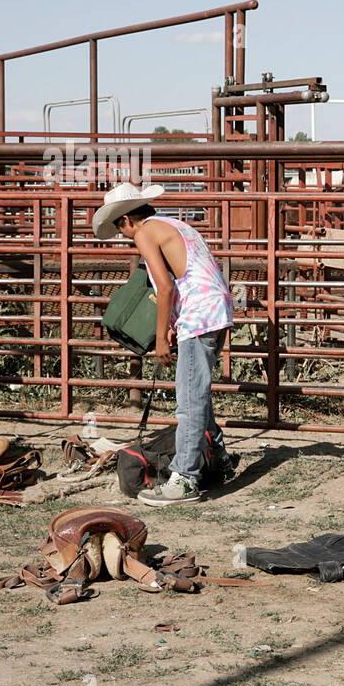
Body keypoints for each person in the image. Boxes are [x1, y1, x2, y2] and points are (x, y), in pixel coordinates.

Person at [92, 183, 238, 505]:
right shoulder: (174, 225)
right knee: (198, 391)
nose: (125, 236)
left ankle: (184, 478)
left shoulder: (145, 232)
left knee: (188, 399)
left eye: (121, 229)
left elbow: (165, 287)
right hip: (213, 310)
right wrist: (173, 322)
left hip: (200, 315)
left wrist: (160, 337)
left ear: (127, 220)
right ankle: (219, 458)